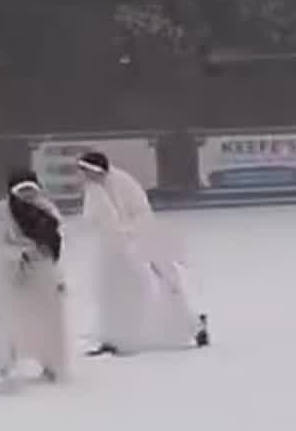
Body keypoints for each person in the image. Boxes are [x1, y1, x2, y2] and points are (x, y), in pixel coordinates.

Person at [77, 150, 209, 354]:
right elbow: (94, 218)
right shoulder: (94, 188)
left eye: (87, 171)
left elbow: (141, 211)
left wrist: (128, 233)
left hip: (140, 242)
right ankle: (114, 337)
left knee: (158, 286)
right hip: (113, 249)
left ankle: (192, 327)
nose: (85, 176)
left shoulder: (123, 182)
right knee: (112, 291)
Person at [0, 170, 70, 384]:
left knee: (49, 321)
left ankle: (51, 364)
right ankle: (8, 366)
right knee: (12, 322)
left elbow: (55, 247)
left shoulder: (47, 210)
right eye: (22, 191)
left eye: (30, 191)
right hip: (12, 276)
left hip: (43, 276)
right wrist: (23, 252)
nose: (27, 196)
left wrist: (58, 278)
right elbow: (0, 245)